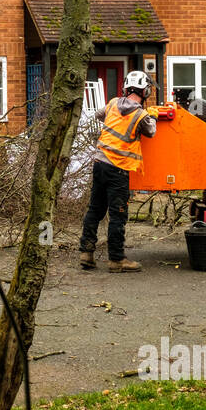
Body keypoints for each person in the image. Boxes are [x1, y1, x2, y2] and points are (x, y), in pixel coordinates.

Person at [79, 70, 157, 272]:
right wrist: (153, 115)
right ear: (145, 91)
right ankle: (116, 260)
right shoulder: (141, 115)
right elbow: (151, 132)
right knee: (118, 215)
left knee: (95, 209)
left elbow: (98, 114)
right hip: (118, 169)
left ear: (125, 87)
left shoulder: (113, 103)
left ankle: (86, 253)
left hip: (99, 163)